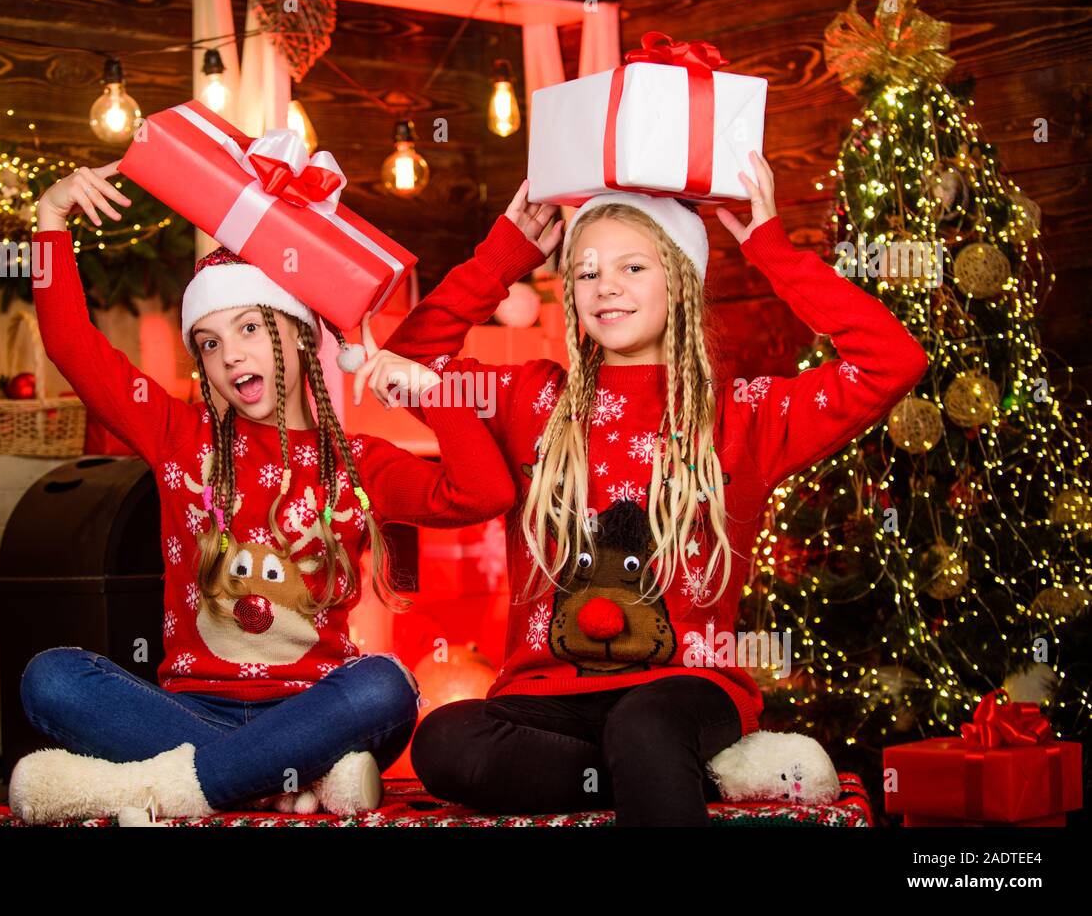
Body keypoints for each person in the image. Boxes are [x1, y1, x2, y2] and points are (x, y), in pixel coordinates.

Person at [375, 152, 929, 825]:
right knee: (444, 738)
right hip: (548, 698)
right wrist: (503, 256)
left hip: (684, 691)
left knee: (643, 726)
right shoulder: (529, 399)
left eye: (632, 267)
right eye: (585, 271)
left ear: (683, 282)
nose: (605, 286)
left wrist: (772, 251)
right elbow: (409, 363)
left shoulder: (744, 416)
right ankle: (657, 783)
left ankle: (659, 765)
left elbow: (891, 360)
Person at [7, 160, 517, 822]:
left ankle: (170, 787)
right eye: (209, 342)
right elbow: (71, 345)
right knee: (49, 677)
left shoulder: (355, 460)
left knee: (387, 685)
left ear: (302, 336)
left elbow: (483, 491)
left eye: (250, 327)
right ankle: (278, 780)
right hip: (188, 708)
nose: (231, 355)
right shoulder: (175, 435)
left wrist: (432, 391)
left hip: (320, 708)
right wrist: (49, 219)